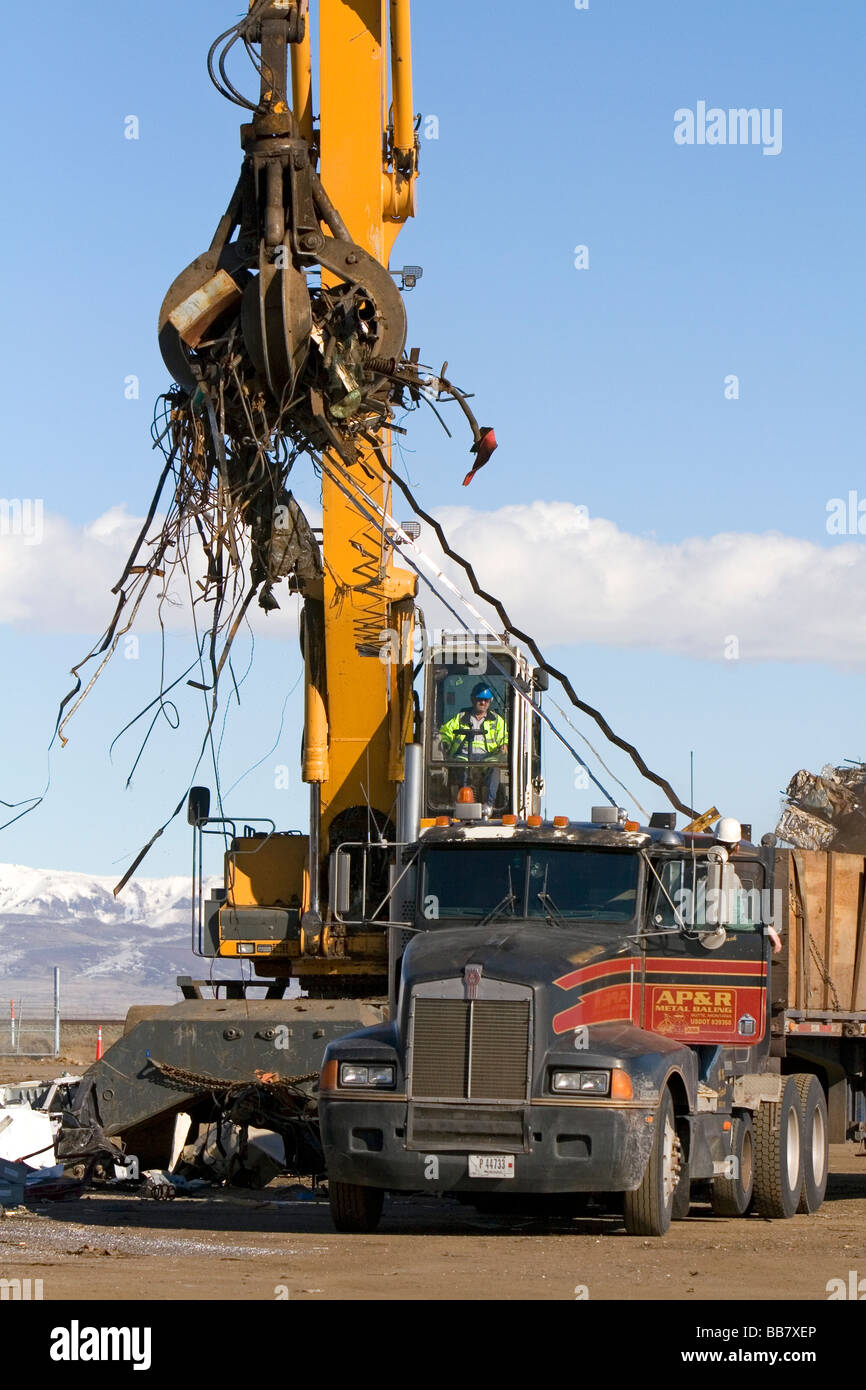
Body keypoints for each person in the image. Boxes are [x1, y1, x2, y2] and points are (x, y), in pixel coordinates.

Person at [439, 683, 509, 810]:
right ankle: (464, 801)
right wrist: (446, 742)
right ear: (472, 699)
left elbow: (504, 736)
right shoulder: (461, 718)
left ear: (490, 701)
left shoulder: (497, 721)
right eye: (479, 699)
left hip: (487, 757)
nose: (483, 702)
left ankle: (488, 805)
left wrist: (504, 745)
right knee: (461, 766)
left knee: (494, 767)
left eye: (486, 700)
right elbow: (446, 732)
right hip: (464, 755)